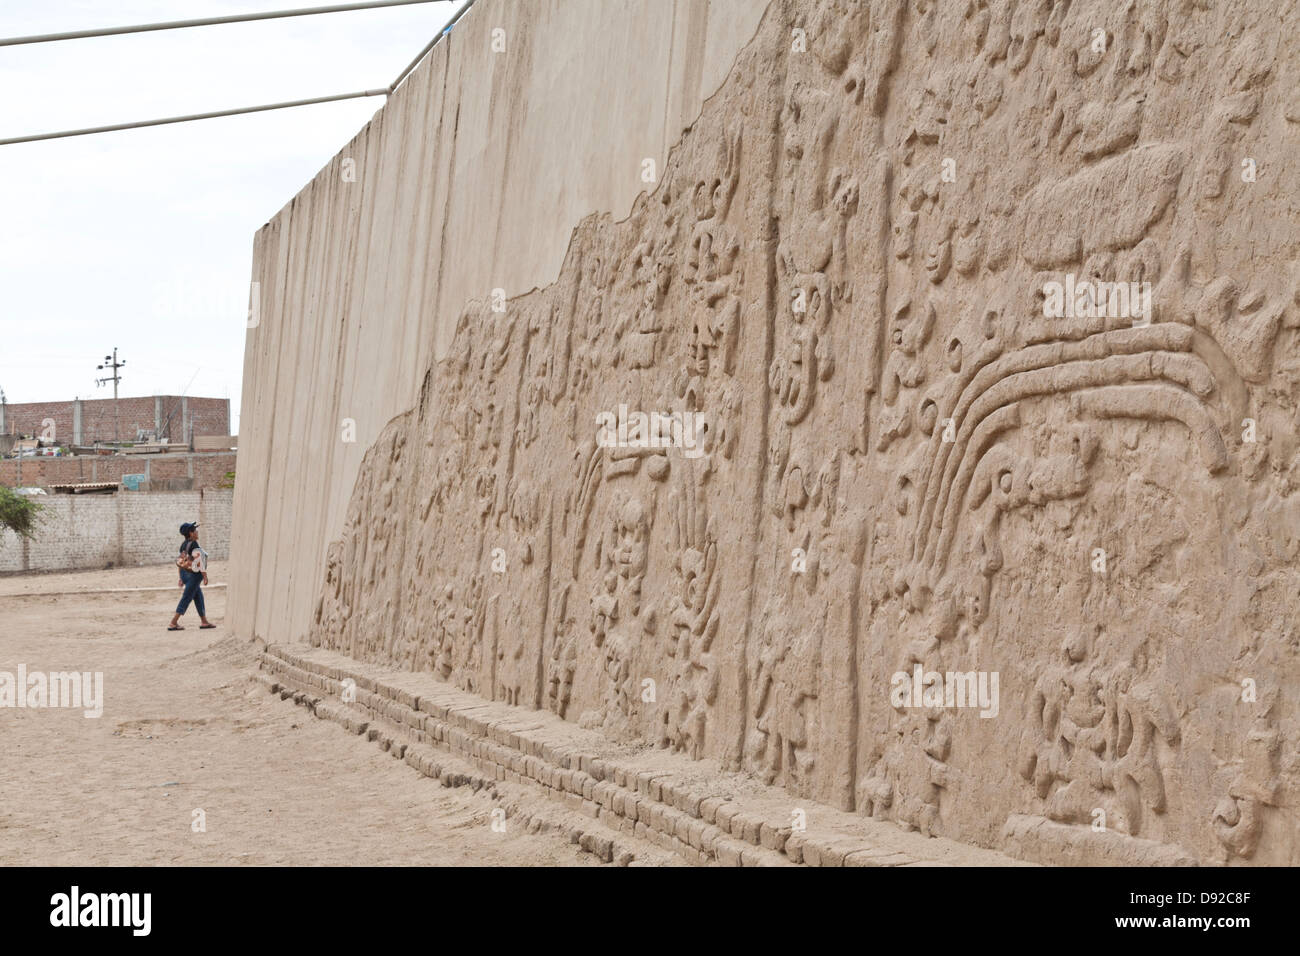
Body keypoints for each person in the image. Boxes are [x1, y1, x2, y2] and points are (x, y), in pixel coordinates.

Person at [168, 521, 215, 631]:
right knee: (187, 597)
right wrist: (205, 576)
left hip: (185, 574)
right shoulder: (194, 544)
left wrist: (180, 577)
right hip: (193, 576)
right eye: (195, 530)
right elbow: (200, 562)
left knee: (198, 597)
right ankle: (173, 622)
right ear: (191, 533)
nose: (197, 532)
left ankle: (204, 621)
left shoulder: (183, 545)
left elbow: (181, 562)